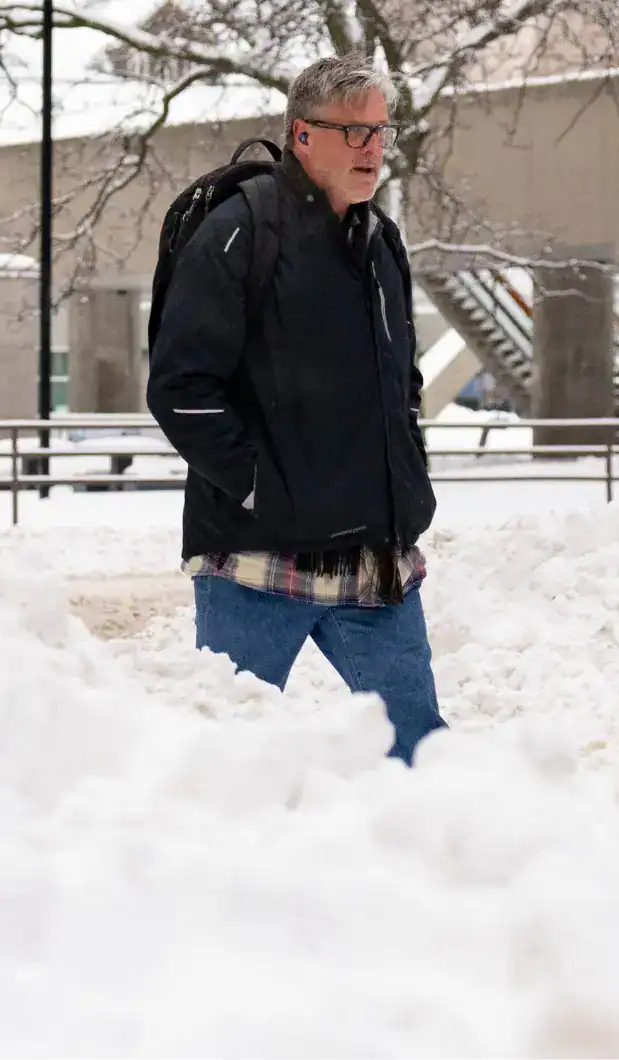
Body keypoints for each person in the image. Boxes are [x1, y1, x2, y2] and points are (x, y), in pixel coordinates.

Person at [146, 53, 445, 766]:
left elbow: (400, 381)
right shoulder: (239, 231)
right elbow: (180, 387)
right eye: (354, 132)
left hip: (376, 563)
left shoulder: (381, 242)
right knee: (230, 768)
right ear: (303, 134)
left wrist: (404, 476)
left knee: (426, 764)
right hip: (258, 566)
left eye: (380, 131)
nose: (373, 149)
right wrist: (259, 485)